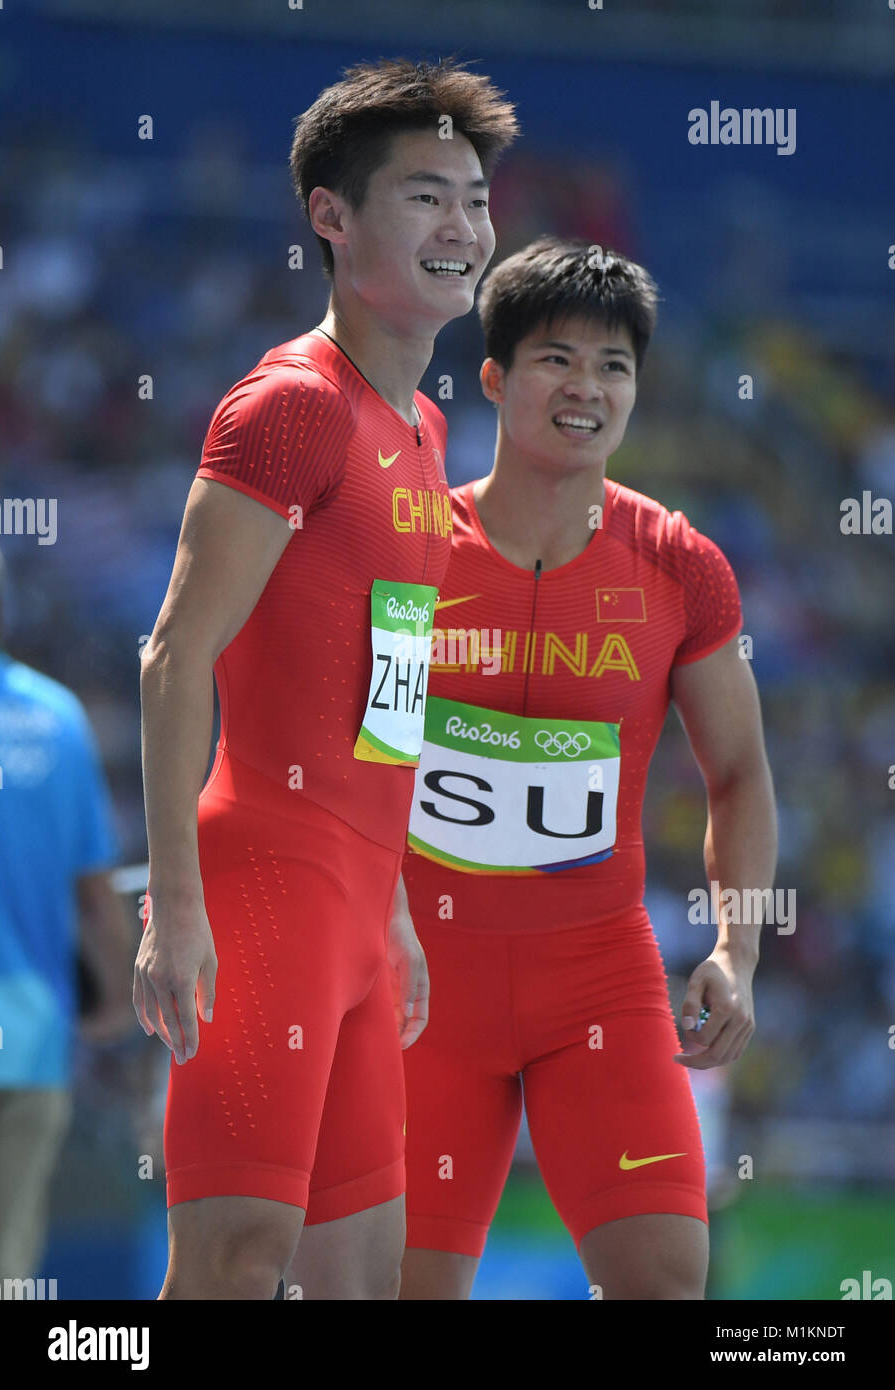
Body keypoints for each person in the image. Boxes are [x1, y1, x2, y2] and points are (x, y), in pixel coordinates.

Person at [133, 57, 518, 1300]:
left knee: (365, 1284)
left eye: (473, 197)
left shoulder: (423, 430)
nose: (462, 226)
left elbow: (385, 683)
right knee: (235, 1264)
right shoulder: (292, 407)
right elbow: (174, 656)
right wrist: (179, 909)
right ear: (331, 216)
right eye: (424, 196)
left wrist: (397, 904)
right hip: (261, 886)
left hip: (359, 906)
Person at [398, 237, 777, 1300]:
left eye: (614, 366)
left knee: (666, 1282)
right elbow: (346, 758)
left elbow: (739, 769)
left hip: (596, 988)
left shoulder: (681, 565)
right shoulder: (411, 549)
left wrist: (737, 947)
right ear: (494, 377)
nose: (587, 387)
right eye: (556, 359)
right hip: (424, 984)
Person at [0, 544, 133, 1288]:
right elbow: (93, 892)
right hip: (32, 1037)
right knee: (8, 1257)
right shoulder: (56, 718)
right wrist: (113, 1000)